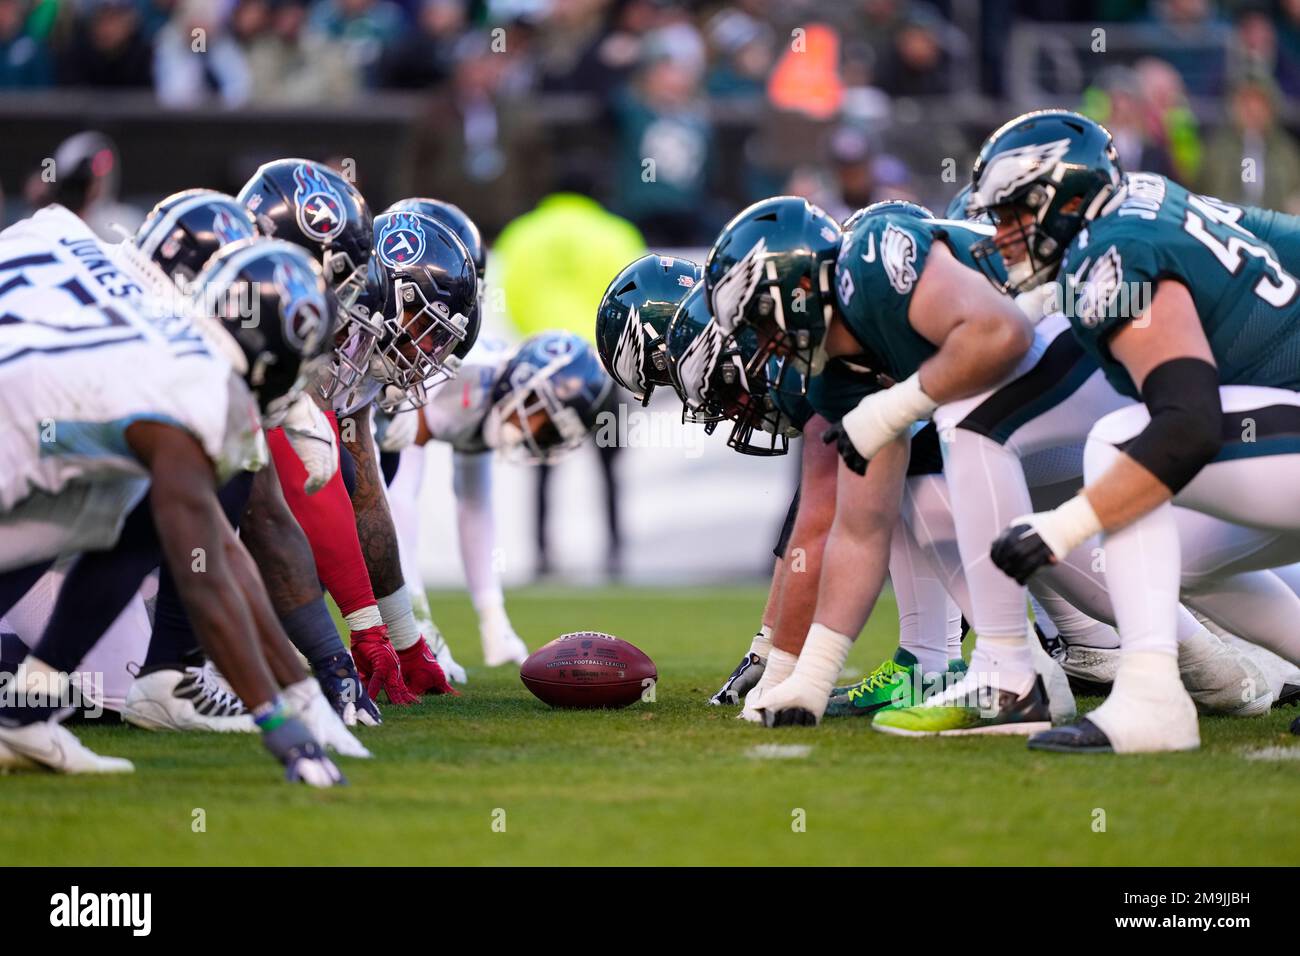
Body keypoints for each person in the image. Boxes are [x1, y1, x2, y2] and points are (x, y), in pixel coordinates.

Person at [972, 109, 1300, 753]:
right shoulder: (1152, 201)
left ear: (1061, 198)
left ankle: (1152, 700)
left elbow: (1190, 424)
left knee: (1123, 438)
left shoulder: (1110, 250)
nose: (1004, 235)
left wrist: (1062, 526)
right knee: (1185, 556)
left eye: (1013, 214)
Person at [0, 206, 351, 785]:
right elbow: (205, 571)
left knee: (131, 509)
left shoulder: (67, 237)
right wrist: (279, 722)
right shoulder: (193, 393)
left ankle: (27, 706)